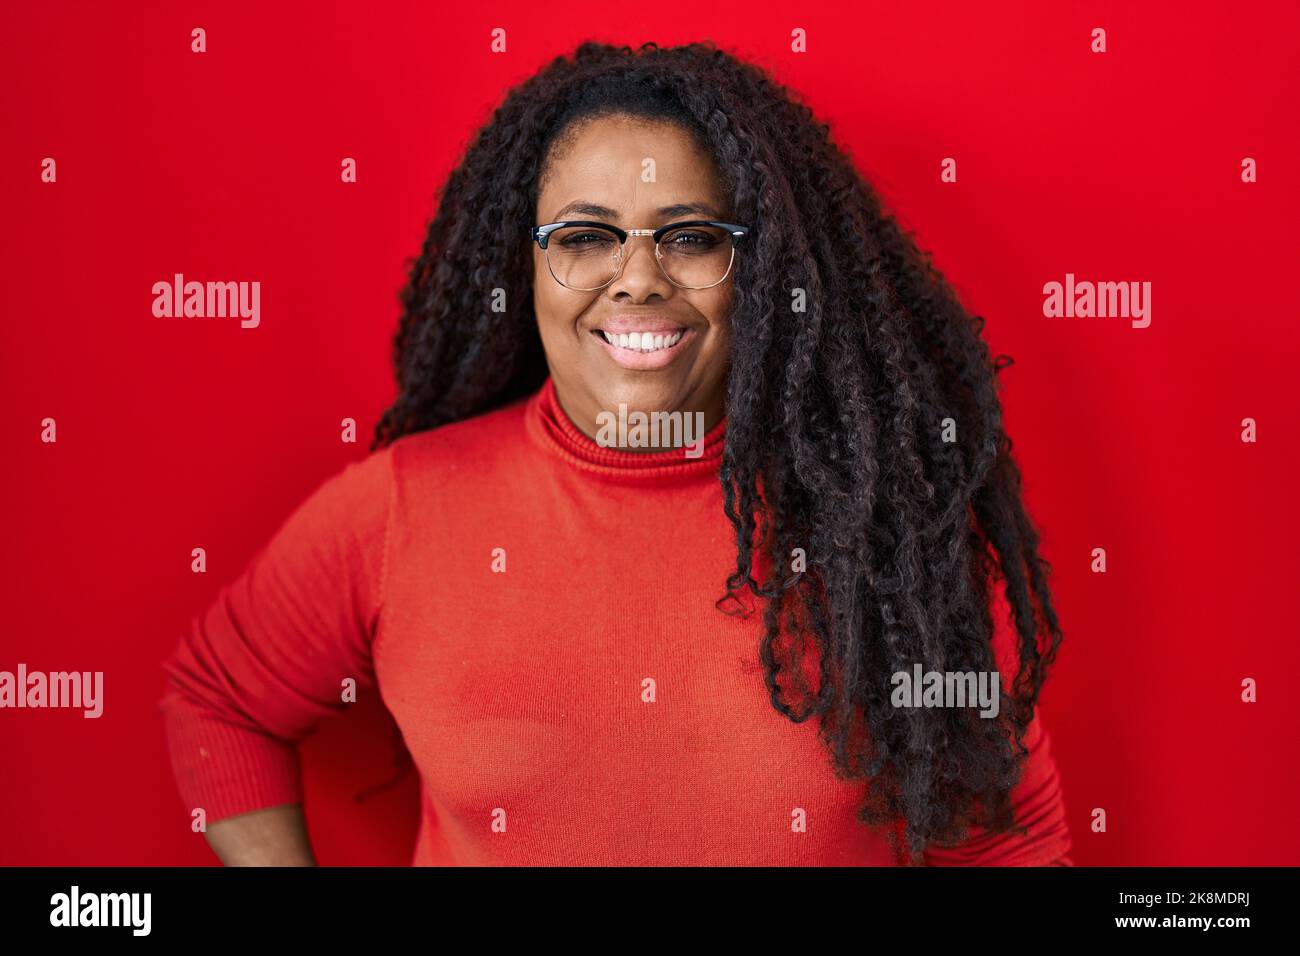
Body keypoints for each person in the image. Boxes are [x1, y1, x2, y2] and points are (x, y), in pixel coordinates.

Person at [158, 40, 1073, 866]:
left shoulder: (885, 534)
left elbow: (1010, 848)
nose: (638, 276)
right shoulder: (402, 508)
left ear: (760, 274)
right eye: (586, 237)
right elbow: (215, 697)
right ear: (526, 267)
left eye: (692, 237)